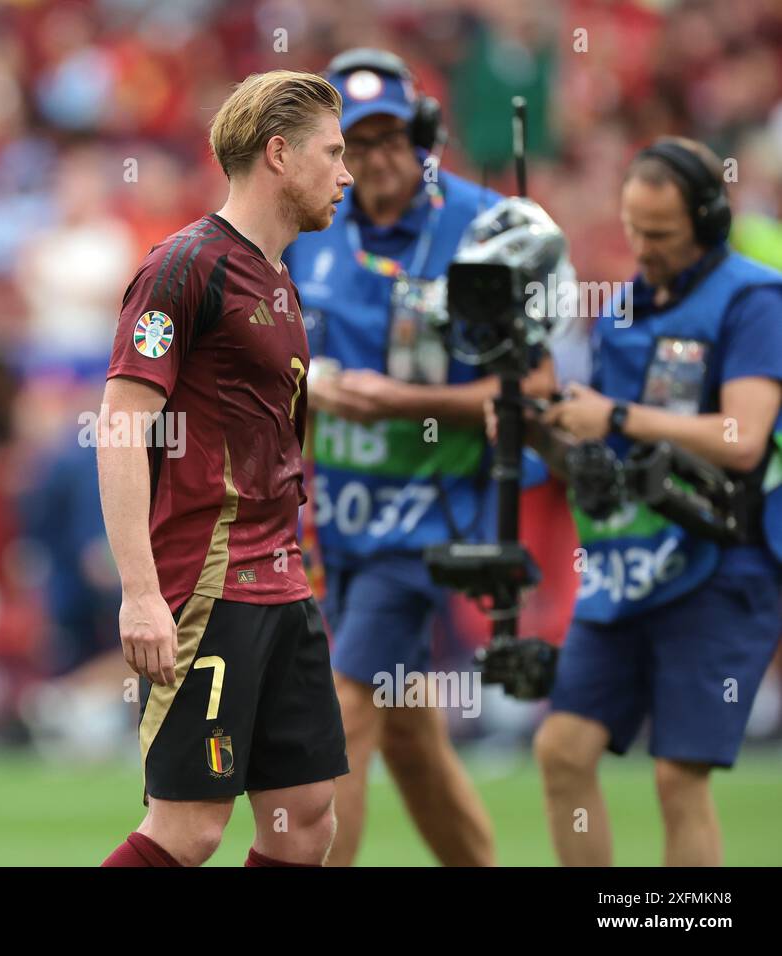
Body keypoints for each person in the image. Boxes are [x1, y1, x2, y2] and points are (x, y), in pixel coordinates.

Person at [285, 49, 548, 866]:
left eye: (393, 139)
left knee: (343, 716)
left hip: (427, 522)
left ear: (424, 135)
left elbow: (530, 389)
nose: (375, 160)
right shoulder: (310, 230)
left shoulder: (482, 227)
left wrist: (399, 402)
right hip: (335, 525)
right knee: (412, 741)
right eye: (354, 145)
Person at [98, 70, 352, 867]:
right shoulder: (184, 266)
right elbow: (119, 428)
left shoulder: (278, 278)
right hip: (209, 582)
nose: (346, 175)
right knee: (190, 829)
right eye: (333, 153)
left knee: (306, 820)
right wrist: (141, 593)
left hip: (283, 583)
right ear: (280, 154)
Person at [528, 137, 782, 865]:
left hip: (722, 564)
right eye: (634, 229)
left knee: (679, 775)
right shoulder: (619, 313)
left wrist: (611, 414)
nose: (642, 248)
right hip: (627, 564)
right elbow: (601, 469)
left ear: (708, 218)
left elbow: (741, 437)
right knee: (563, 749)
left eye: (661, 234)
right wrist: (542, 432)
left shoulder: (754, 299)